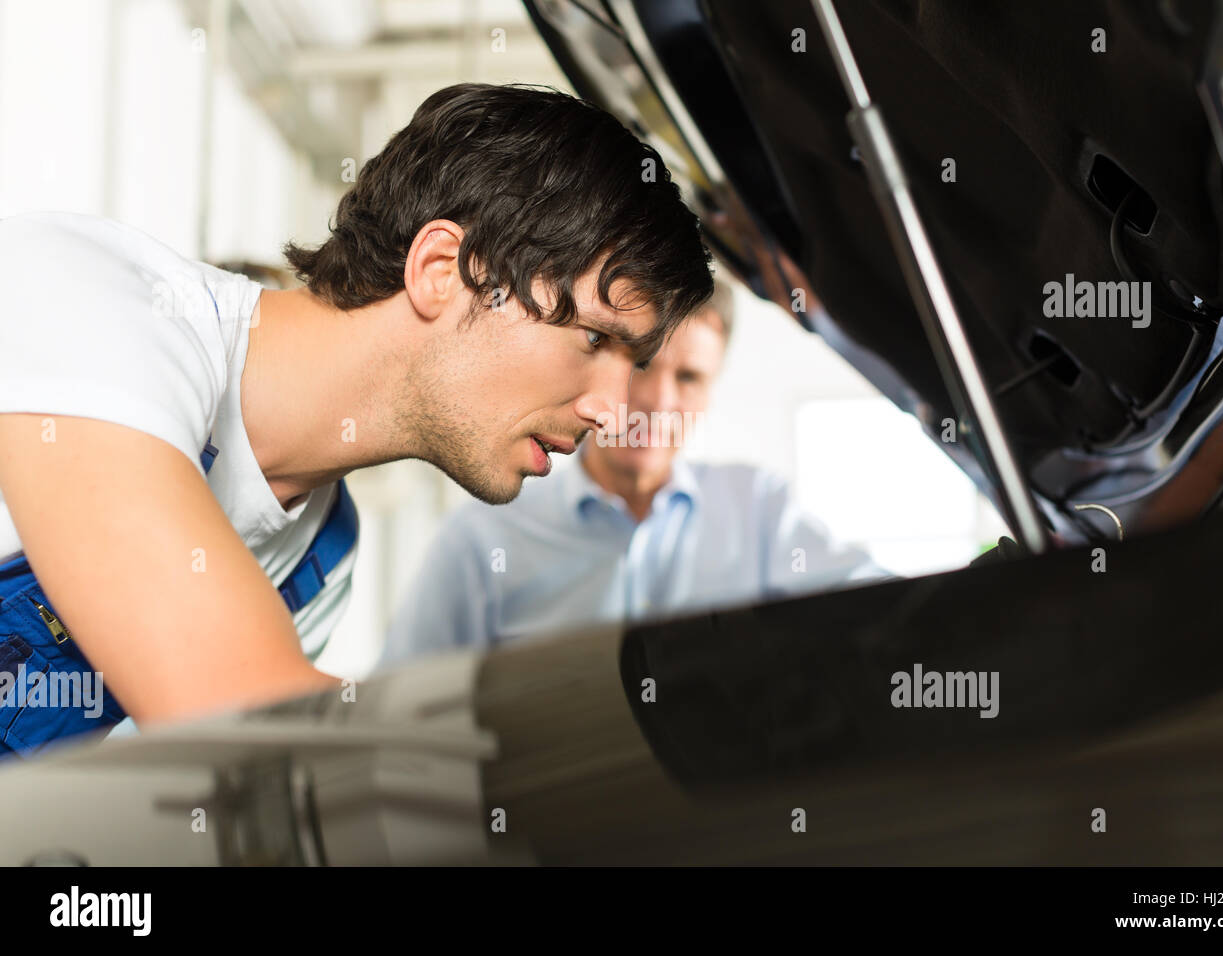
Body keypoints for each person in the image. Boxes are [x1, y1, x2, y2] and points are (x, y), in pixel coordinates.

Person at [0, 82, 713, 757]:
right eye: (594, 338)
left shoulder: (321, 559)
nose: (615, 412)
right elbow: (235, 716)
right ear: (443, 269)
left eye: (636, 364)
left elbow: (200, 805)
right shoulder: (94, 303)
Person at [382, 282, 890, 660]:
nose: (657, 402)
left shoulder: (760, 509)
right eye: (642, 365)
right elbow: (403, 712)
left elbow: (882, 607)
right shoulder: (480, 540)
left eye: (689, 377)